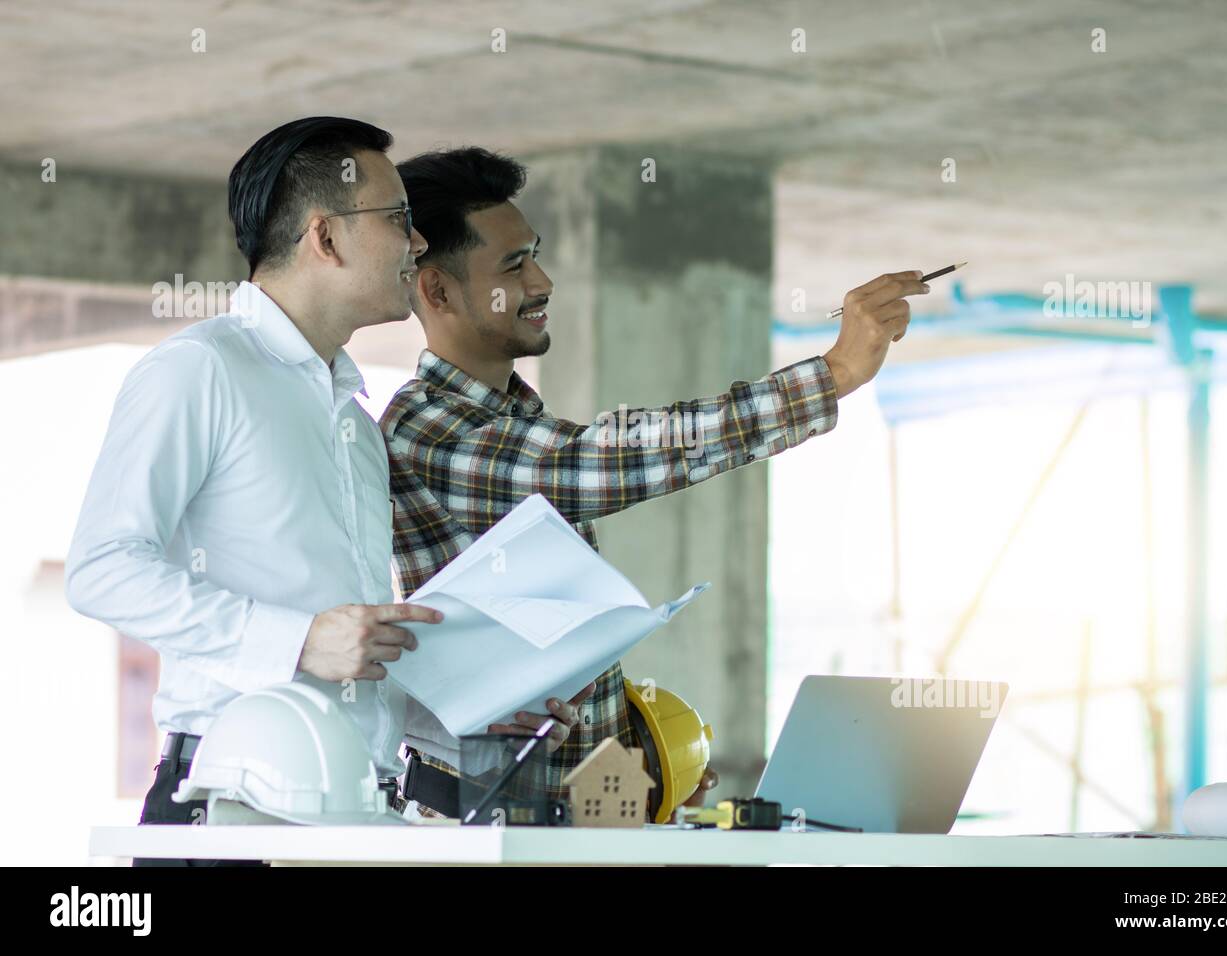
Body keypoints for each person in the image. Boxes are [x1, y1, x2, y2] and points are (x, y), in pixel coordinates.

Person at [382, 147, 927, 819]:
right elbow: (606, 459)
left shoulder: (511, 418)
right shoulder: (430, 429)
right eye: (514, 265)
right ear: (437, 291)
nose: (543, 280)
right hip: (486, 821)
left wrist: (651, 759)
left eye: (537, 255)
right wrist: (833, 375)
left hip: (556, 813)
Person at [65, 116, 464, 864]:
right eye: (401, 220)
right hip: (235, 810)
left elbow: (348, 658)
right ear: (327, 237)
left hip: (354, 811)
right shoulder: (199, 370)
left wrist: (471, 716)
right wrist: (300, 640)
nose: (418, 245)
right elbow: (101, 569)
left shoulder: (352, 417)